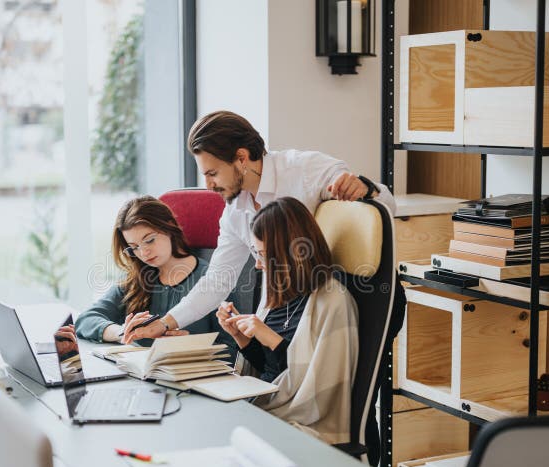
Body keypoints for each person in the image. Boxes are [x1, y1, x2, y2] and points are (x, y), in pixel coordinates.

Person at [124, 109, 403, 344]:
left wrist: (366, 188)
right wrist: (165, 323)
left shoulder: (305, 170)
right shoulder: (235, 210)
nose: (208, 186)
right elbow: (218, 280)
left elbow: (385, 210)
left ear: (242, 158)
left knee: (351, 405)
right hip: (292, 315)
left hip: (351, 304)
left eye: (212, 173)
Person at [217, 197, 358, 443]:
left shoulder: (333, 301)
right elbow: (271, 370)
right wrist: (243, 339)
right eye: (255, 253)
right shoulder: (277, 291)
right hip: (263, 407)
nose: (258, 265)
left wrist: (268, 337)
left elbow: (318, 395)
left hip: (300, 421)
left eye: (264, 255)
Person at [76, 196, 234, 355]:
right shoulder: (137, 278)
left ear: (169, 226)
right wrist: (124, 332)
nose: (143, 253)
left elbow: (234, 350)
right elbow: (86, 319)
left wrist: (190, 347)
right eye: (134, 247)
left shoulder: (215, 279)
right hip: (139, 375)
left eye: (150, 240)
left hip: (192, 377)